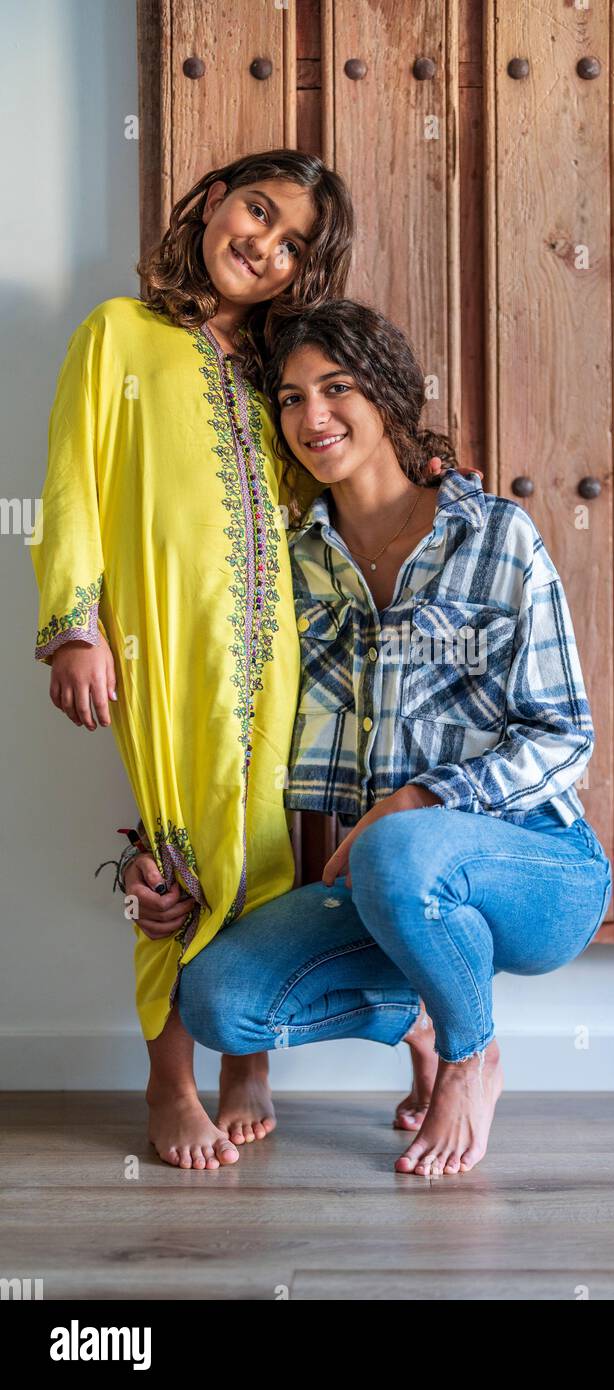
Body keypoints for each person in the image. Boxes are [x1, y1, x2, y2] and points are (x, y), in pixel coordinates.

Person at [168, 299, 613, 1177]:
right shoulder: (292, 568)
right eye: (290, 398)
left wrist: (419, 798)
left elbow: (566, 737)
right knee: (217, 999)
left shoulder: (494, 537)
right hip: (385, 890)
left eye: (336, 388)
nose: (312, 416)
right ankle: (420, 1007)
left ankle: (468, 1053)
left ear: (389, 396)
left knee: (398, 845)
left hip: (541, 869)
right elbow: (238, 730)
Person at [32, 150, 355, 1170]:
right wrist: (75, 625)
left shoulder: (278, 371)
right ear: (214, 200)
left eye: (292, 243)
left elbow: (315, 491)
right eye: (257, 211)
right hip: (159, 638)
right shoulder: (118, 335)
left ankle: (246, 1059)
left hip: (279, 640)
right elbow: (75, 483)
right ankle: (170, 1077)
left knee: (266, 838)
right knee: (178, 844)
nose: (263, 244)